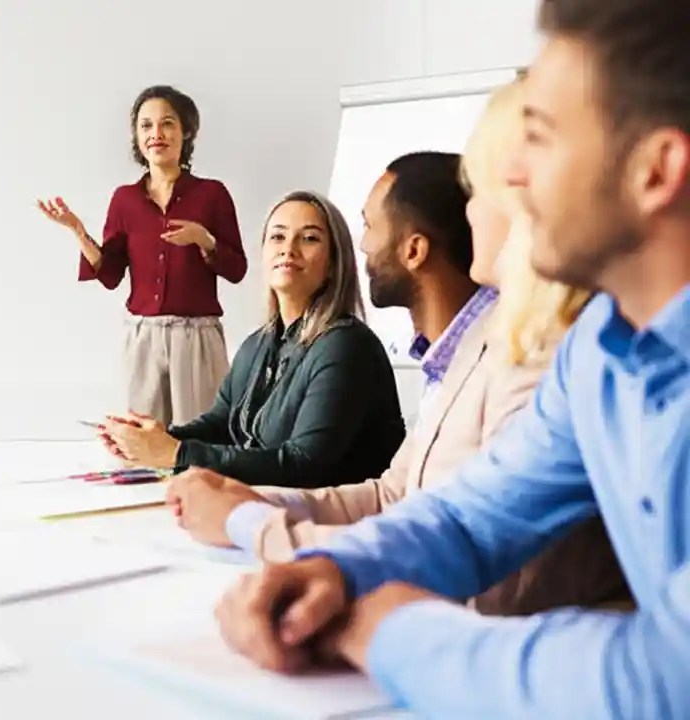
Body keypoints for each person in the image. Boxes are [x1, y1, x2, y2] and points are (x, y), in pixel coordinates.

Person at [213, 1, 690, 716]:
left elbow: (664, 681)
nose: (511, 179)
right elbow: (471, 518)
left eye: (541, 137)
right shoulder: (599, 348)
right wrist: (332, 573)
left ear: (655, 171)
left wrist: (389, 633)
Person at [171, 109, 626, 616]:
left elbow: (486, 569)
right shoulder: (459, 352)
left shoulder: (531, 357)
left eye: (366, 226)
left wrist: (249, 524)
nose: (362, 243)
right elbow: (393, 496)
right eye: (276, 237)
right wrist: (252, 501)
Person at [100, 191, 404, 487]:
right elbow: (221, 425)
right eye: (278, 237)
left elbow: (304, 466)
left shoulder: (345, 346)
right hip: (276, 512)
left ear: (334, 264)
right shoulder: (258, 343)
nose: (289, 249)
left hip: (341, 525)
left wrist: (177, 454)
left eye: (309, 238)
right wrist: (152, 440)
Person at [37, 85, 247, 427]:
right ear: (136, 136)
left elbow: (238, 269)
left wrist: (204, 240)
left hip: (196, 337)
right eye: (146, 126)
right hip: (142, 338)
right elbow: (110, 275)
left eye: (167, 124)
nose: (156, 134)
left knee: (199, 444)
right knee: (139, 442)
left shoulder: (212, 195)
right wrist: (77, 230)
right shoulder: (125, 200)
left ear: (186, 131)